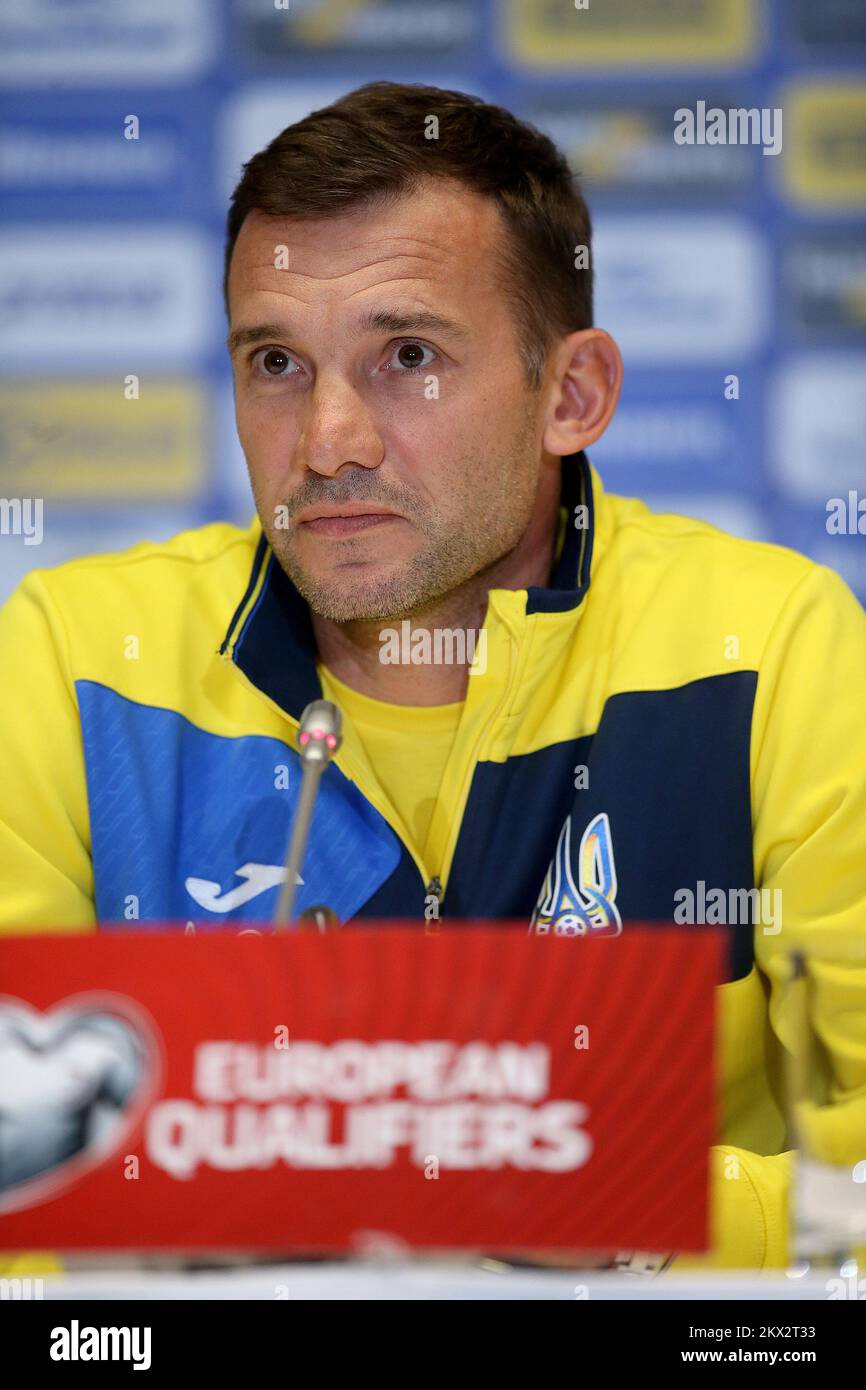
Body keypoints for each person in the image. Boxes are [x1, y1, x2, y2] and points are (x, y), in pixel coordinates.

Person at [1, 82, 864, 1272]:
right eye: (277, 362)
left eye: (406, 355)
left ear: (570, 394)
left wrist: (605, 1194)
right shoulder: (75, 657)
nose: (327, 442)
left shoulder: (767, 651)